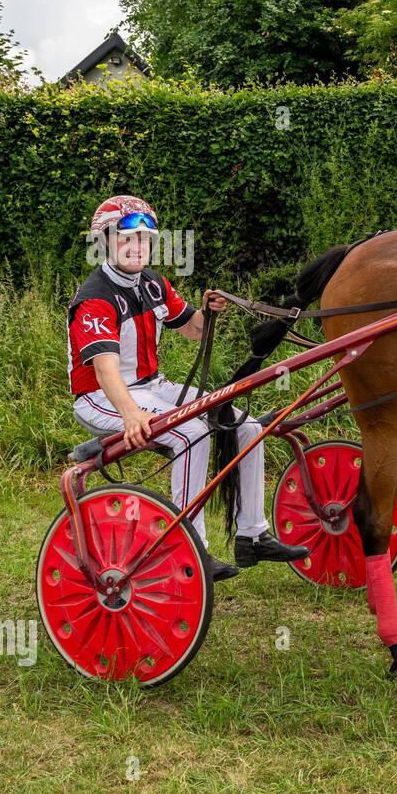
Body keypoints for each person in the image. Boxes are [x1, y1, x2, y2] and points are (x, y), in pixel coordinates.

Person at [66, 194, 309, 580]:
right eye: (125, 239)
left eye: (144, 239)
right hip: (102, 397)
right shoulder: (95, 298)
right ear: (104, 243)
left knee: (242, 421)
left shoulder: (153, 283)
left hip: (153, 386)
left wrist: (207, 310)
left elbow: (194, 330)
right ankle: (189, 544)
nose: (136, 247)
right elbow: (105, 370)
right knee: (191, 432)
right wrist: (132, 415)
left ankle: (253, 534)